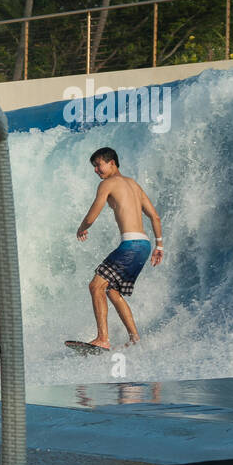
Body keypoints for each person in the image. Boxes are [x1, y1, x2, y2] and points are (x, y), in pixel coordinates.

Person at [75, 147, 164, 349]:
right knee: (113, 291)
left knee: (96, 286)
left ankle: (103, 339)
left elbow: (92, 215)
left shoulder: (108, 184)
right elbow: (155, 216)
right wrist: (159, 245)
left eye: (99, 165)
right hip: (144, 245)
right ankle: (134, 339)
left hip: (130, 245)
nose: (96, 170)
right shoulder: (134, 184)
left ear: (112, 162)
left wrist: (82, 227)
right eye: (94, 167)